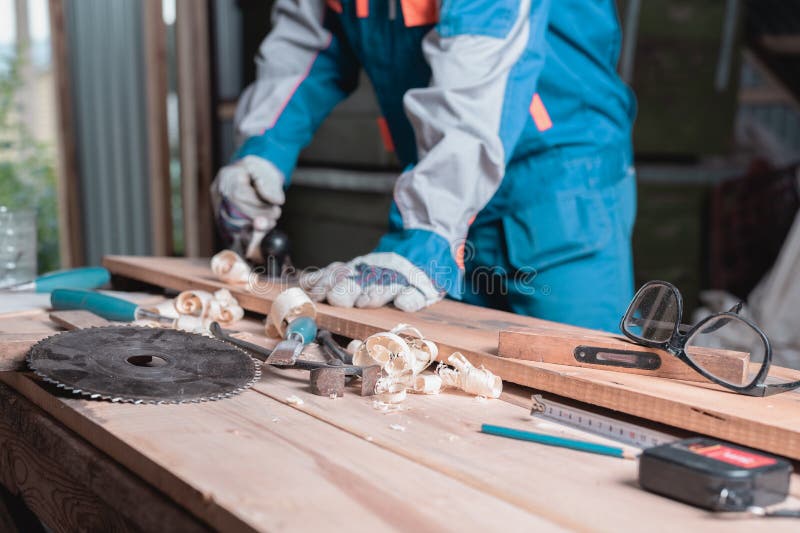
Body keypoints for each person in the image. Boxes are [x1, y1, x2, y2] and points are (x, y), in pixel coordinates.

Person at [211, 0, 637, 332]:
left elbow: (478, 64)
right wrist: (262, 151)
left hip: (556, 191)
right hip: (441, 183)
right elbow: (309, 41)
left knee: (578, 397)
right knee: (443, 392)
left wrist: (424, 233)